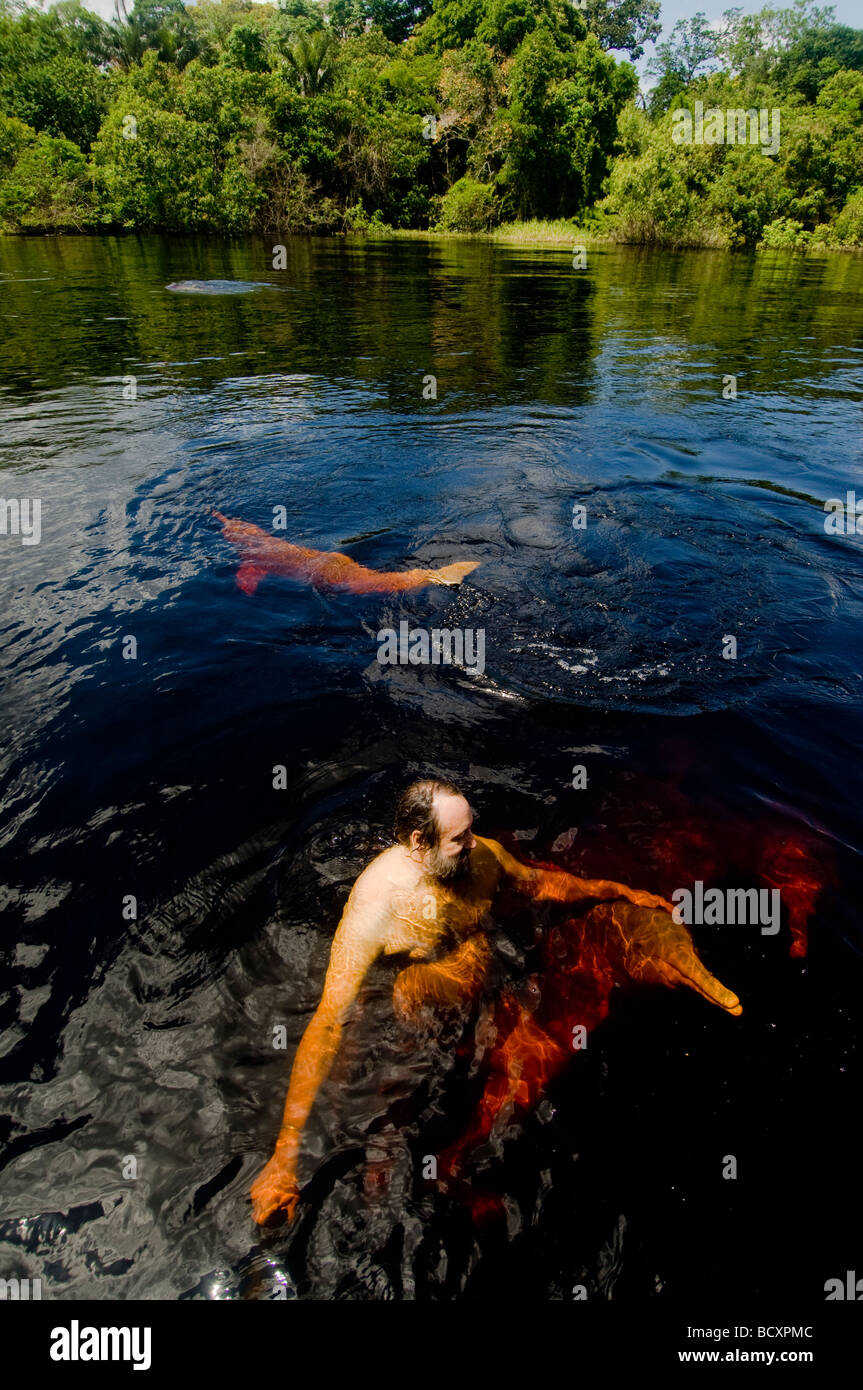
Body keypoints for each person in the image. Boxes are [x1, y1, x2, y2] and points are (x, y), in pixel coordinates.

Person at [250, 777, 741, 1226]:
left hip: (488, 981)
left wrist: (619, 892)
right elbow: (329, 1021)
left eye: (471, 831)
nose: (473, 843)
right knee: (404, 1061)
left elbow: (537, 882)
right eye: (459, 837)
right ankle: (387, 1178)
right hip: (424, 1003)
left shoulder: (481, 855)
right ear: (419, 843)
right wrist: (285, 1153)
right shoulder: (374, 908)